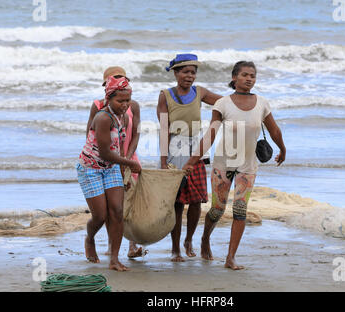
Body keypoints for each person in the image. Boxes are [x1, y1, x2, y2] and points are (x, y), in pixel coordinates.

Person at [182, 61, 286, 270]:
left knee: (240, 210)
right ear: (234, 78)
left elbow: (274, 130)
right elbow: (211, 134)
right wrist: (193, 160)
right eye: (245, 75)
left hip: (247, 165)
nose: (249, 79)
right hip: (223, 163)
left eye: (252, 76)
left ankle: (230, 258)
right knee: (217, 210)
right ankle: (204, 239)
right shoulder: (223, 104)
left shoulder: (262, 103)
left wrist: (283, 149)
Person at [156, 53, 222, 262]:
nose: (190, 76)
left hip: (197, 150)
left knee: (197, 200)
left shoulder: (200, 92)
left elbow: (225, 103)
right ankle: (175, 248)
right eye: (185, 71)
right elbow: (165, 128)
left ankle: (189, 239)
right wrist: (163, 160)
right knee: (177, 202)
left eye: (193, 72)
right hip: (175, 150)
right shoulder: (165, 95)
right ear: (176, 73)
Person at [77, 75, 141, 271]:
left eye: (127, 100)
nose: (124, 105)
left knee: (117, 212)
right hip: (91, 168)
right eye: (119, 100)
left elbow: (120, 145)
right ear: (108, 99)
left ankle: (114, 258)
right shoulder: (102, 117)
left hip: (111, 167)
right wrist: (130, 163)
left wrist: (124, 171)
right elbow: (105, 152)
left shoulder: (123, 116)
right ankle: (90, 239)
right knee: (100, 216)